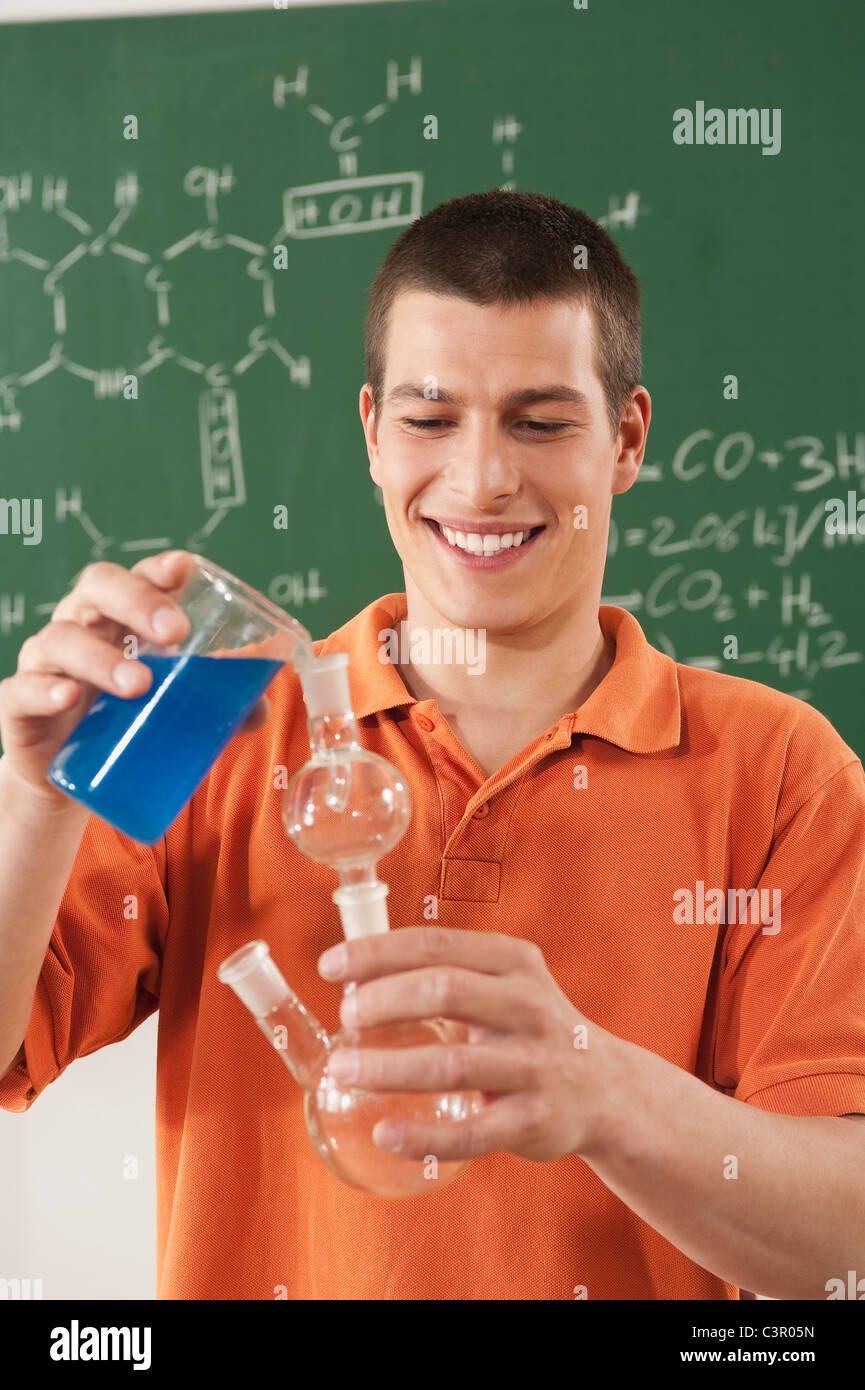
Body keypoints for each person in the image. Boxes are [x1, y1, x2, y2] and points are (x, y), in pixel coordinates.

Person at [1, 190, 863, 1301]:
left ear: (628, 440)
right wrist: (34, 798)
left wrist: (601, 1093)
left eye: (540, 421)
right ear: (369, 433)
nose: (481, 478)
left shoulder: (782, 772)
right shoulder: (220, 724)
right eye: (429, 418)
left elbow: (844, 1250)